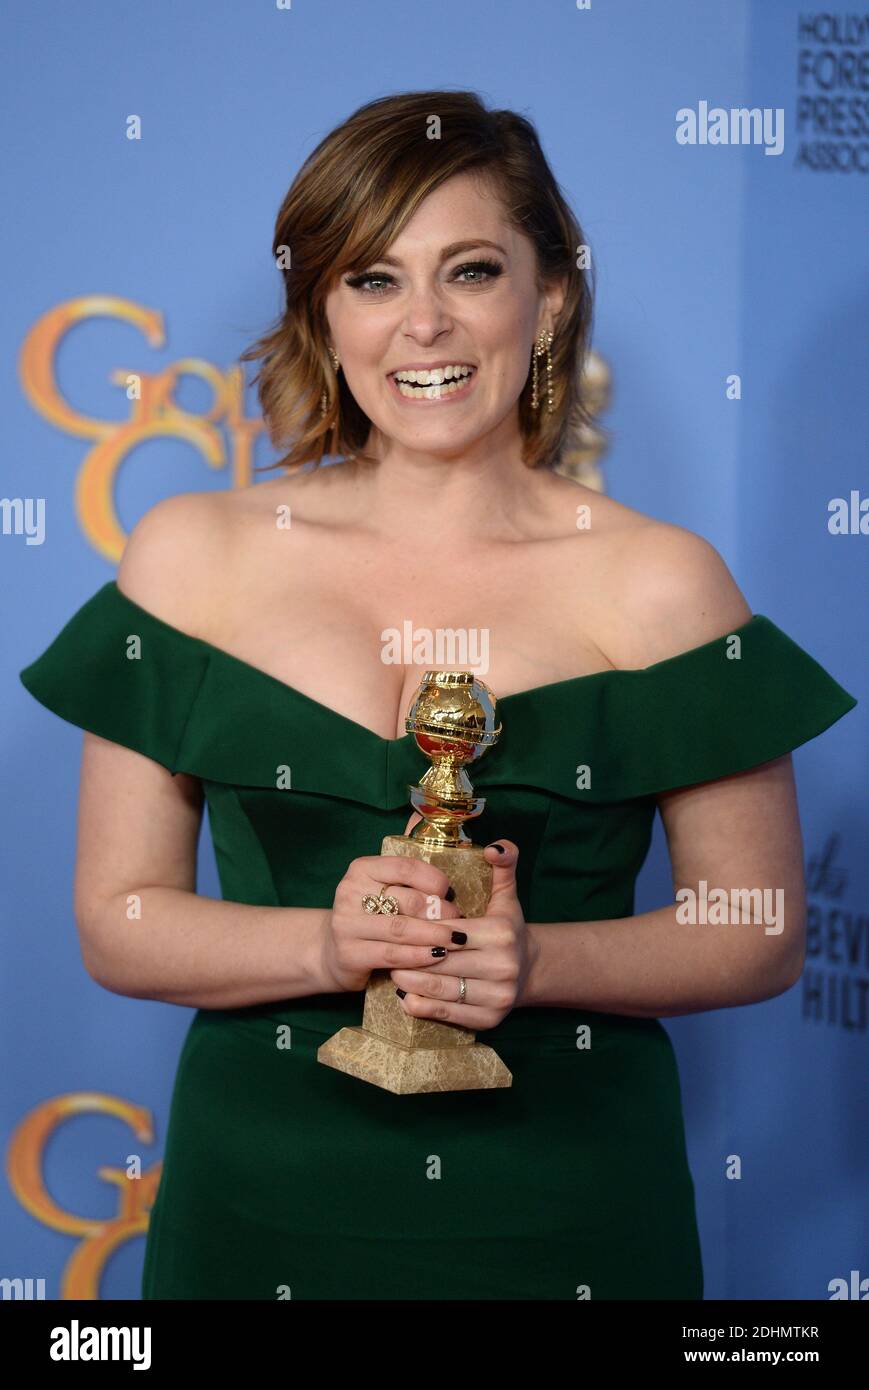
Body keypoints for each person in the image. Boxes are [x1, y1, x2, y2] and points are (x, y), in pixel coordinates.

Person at [19, 90, 856, 1300]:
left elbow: (759, 929)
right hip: (257, 1208)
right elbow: (118, 918)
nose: (423, 324)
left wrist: (536, 964)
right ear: (321, 306)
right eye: (372, 279)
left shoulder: (659, 582)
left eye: (469, 270)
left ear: (550, 295)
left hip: (565, 1208)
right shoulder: (192, 556)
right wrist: (322, 940)